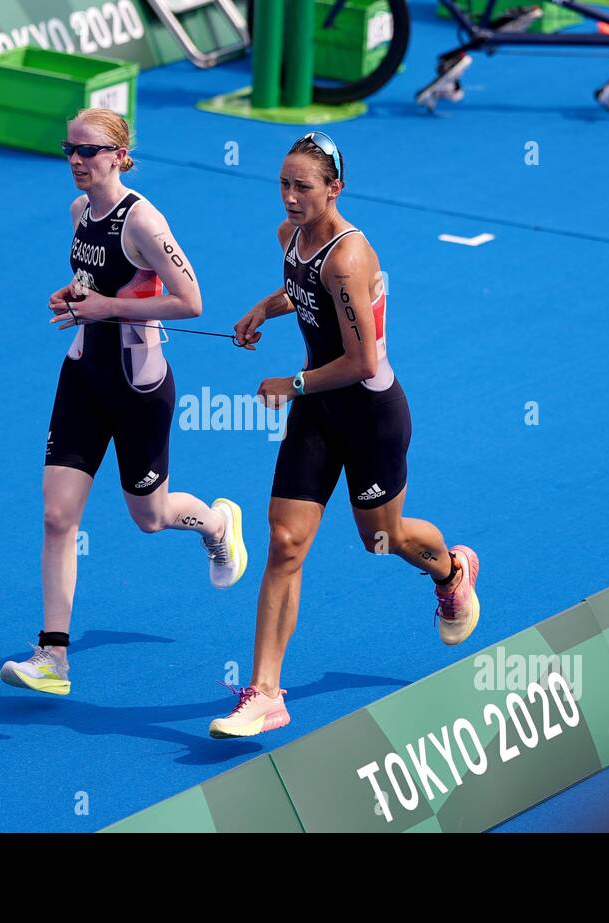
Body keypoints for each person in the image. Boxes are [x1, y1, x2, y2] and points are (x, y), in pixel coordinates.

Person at [209, 131, 480, 738]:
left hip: (369, 414)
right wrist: (263, 308)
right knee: (285, 543)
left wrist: (291, 383)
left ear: (335, 188)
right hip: (317, 410)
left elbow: (360, 362)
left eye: (302, 186)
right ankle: (266, 693)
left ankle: (451, 572)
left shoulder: (349, 256)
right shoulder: (291, 238)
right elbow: (303, 291)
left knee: (380, 538)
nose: (289, 196)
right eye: (283, 183)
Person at [0, 108, 248, 697]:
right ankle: (52, 656)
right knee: (57, 516)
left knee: (149, 517)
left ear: (118, 155)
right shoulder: (79, 212)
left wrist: (106, 308)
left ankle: (217, 522)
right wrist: (76, 297)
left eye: (88, 151)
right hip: (83, 376)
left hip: (139, 388)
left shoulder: (144, 222)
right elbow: (97, 284)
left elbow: (192, 302)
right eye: (69, 150)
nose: (76, 162)